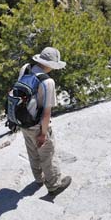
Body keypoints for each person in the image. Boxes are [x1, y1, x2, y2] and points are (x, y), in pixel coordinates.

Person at [19, 47, 71, 196]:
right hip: (37, 124)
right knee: (47, 153)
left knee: (32, 151)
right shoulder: (47, 82)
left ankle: (38, 178)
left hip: (24, 120)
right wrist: (43, 133)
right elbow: (47, 112)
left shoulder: (25, 69)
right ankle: (54, 185)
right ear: (50, 64)